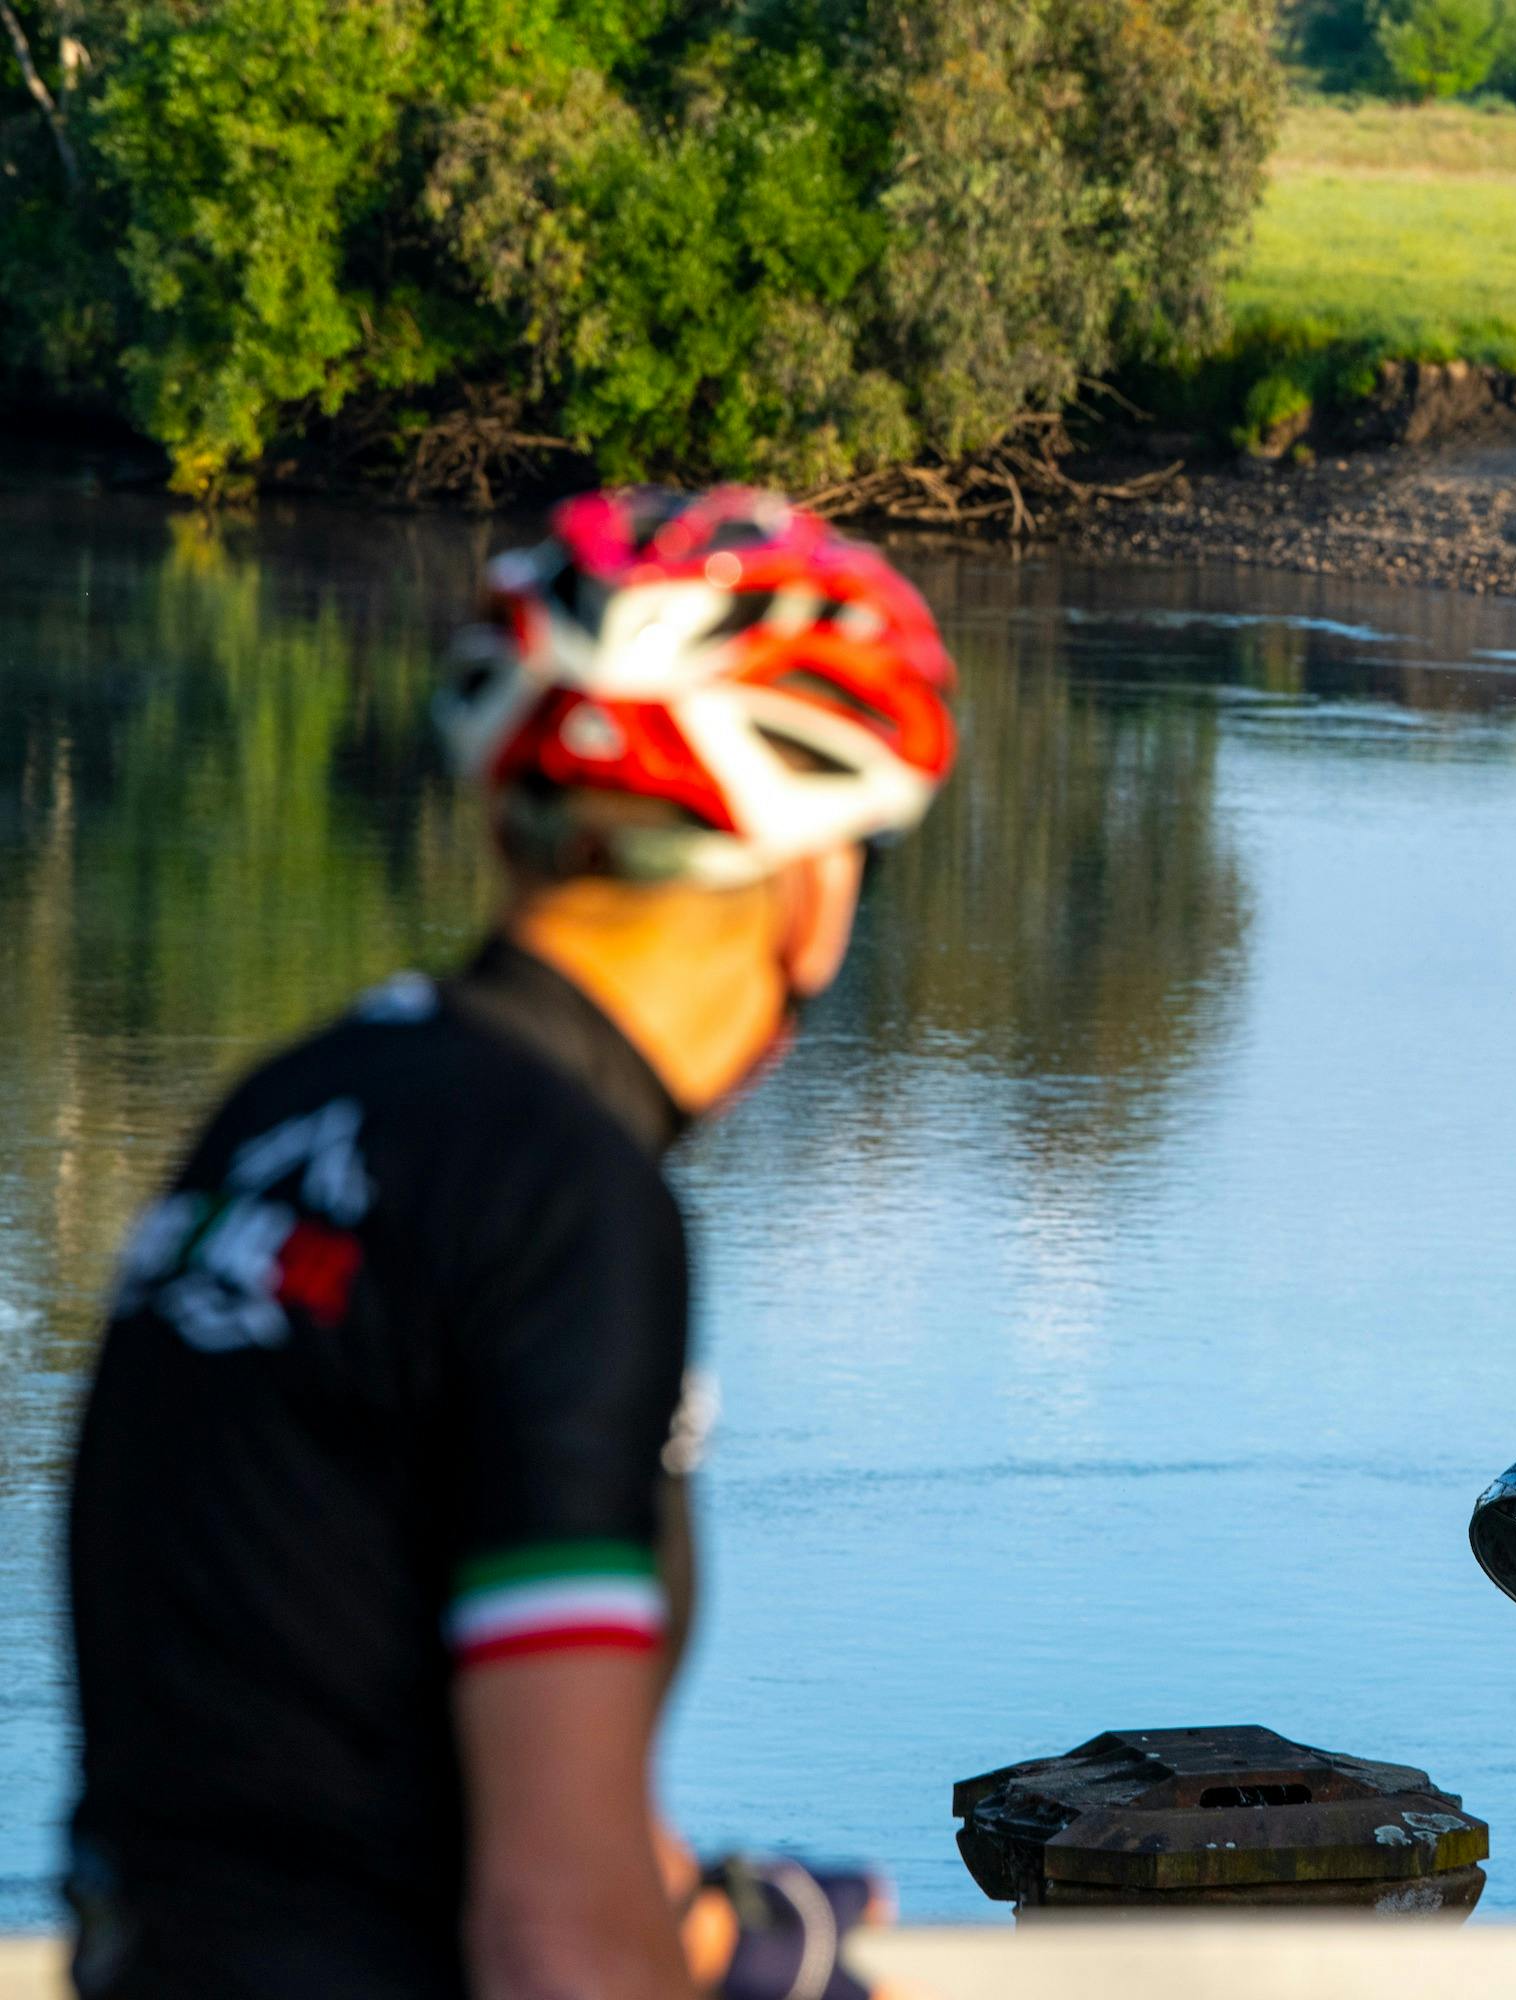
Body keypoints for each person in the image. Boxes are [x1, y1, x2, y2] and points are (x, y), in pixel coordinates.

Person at [63, 487, 957, 1999]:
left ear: (501, 821)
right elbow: (548, 1933)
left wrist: (707, 1926)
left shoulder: (302, 1108)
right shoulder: (574, 1201)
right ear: (812, 888)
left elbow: (326, 1727)